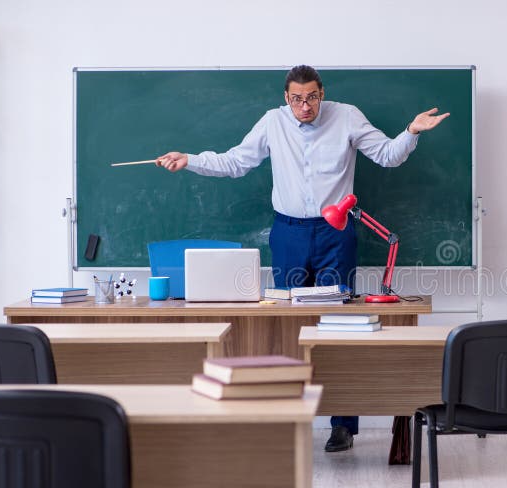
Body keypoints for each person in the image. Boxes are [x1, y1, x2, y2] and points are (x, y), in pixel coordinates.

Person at [157, 65, 448, 452]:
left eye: (311, 97)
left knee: (340, 324)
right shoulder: (272, 122)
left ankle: (342, 425)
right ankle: (286, 417)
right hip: (289, 232)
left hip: (335, 230)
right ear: (286, 98)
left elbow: (387, 157)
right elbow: (235, 162)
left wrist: (410, 132)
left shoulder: (346, 116)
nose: (305, 105)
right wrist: (189, 159)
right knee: (286, 326)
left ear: (322, 93)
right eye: (297, 98)